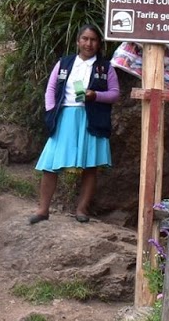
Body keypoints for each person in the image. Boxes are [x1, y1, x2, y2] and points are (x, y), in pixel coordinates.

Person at [30, 24, 119, 224]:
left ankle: (82, 210)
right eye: (85, 39)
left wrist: (95, 95)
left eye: (93, 40)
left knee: (90, 166)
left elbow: (114, 94)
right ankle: (43, 210)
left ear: (99, 43)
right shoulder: (64, 63)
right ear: (78, 41)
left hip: (91, 118)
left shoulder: (105, 68)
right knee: (50, 163)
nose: (89, 43)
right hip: (65, 117)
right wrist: (51, 111)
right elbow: (51, 88)